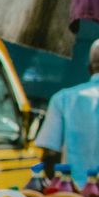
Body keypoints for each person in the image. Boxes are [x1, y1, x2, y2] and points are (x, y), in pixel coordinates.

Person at [37, 39, 99, 179]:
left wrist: (60, 187)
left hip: (73, 194)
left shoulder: (63, 99)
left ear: (89, 68)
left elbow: (50, 154)